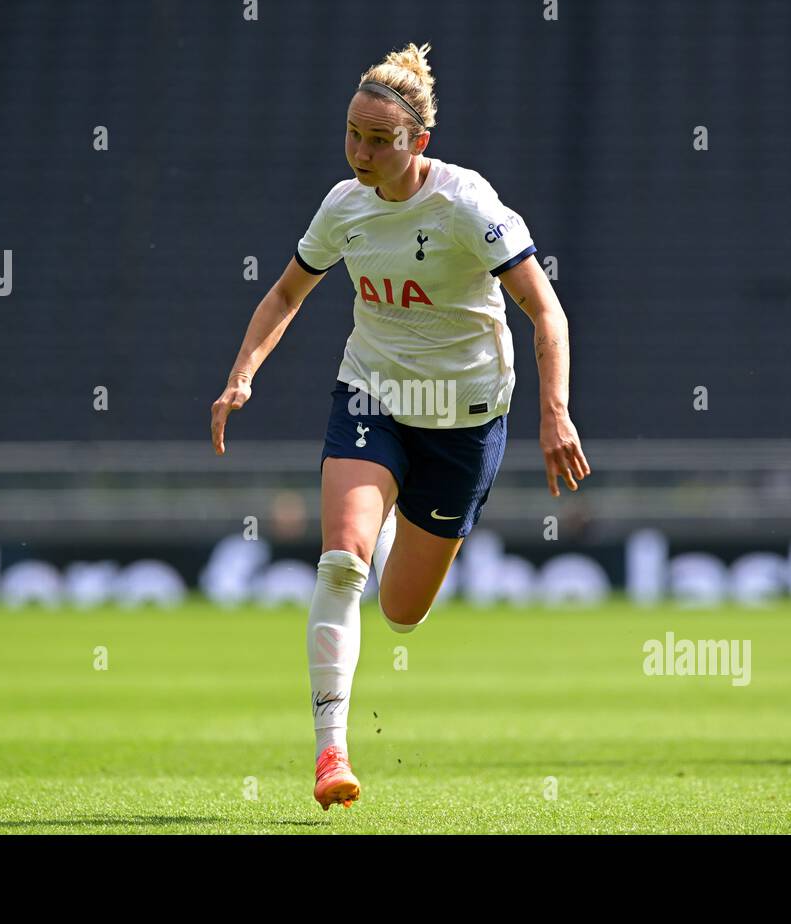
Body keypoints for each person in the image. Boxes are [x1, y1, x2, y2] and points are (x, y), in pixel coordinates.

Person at [211, 42, 589, 808]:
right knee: (341, 563)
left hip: (466, 419)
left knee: (401, 611)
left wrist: (555, 413)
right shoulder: (342, 207)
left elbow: (543, 307)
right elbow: (285, 296)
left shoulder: (466, 204)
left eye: (379, 140)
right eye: (353, 134)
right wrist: (241, 374)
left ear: (419, 143)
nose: (361, 152)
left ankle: (391, 519)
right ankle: (330, 753)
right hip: (373, 397)